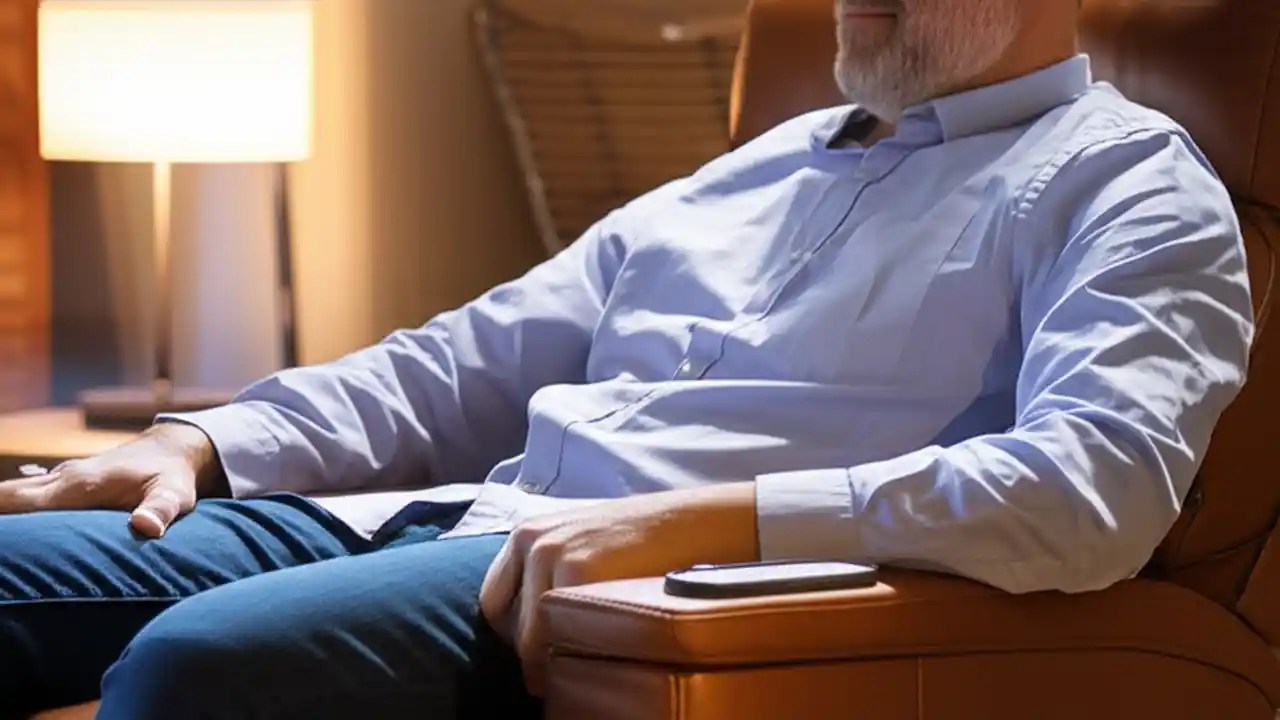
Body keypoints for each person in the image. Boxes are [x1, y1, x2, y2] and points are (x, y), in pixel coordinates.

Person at [0, 0, 1253, 717]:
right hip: (434, 516)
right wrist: (208, 438)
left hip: (590, 589)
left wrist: (689, 527)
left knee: (192, 672)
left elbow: (1091, 496)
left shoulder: (1127, 181)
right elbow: (464, 361)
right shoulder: (762, 160)